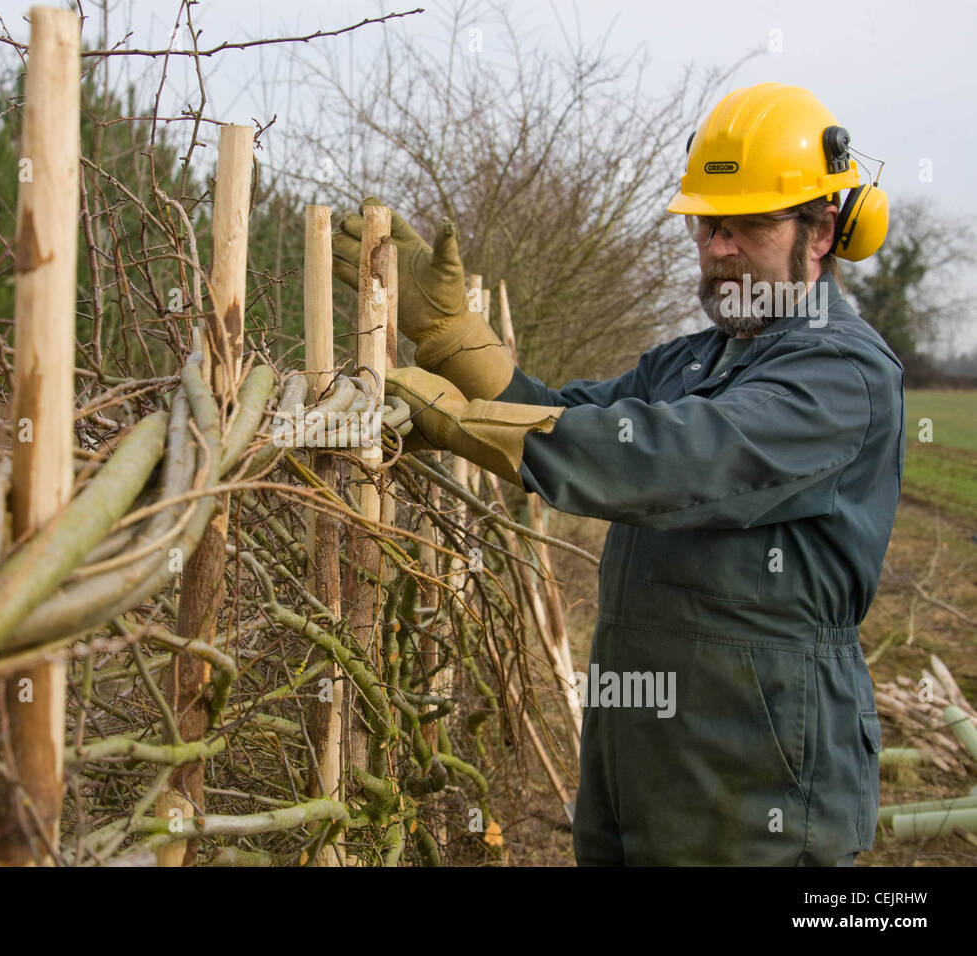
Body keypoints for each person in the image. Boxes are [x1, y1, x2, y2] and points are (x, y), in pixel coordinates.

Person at [331, 82, 904, 865]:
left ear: (824, 229)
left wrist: (470, 427)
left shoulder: (843, 372)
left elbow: (671, 457)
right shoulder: (696, 356)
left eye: (749, 223)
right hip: (637, 753)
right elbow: (567, 416)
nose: (719, 245)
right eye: (706, 222)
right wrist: (452, 340)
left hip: (762, 763)